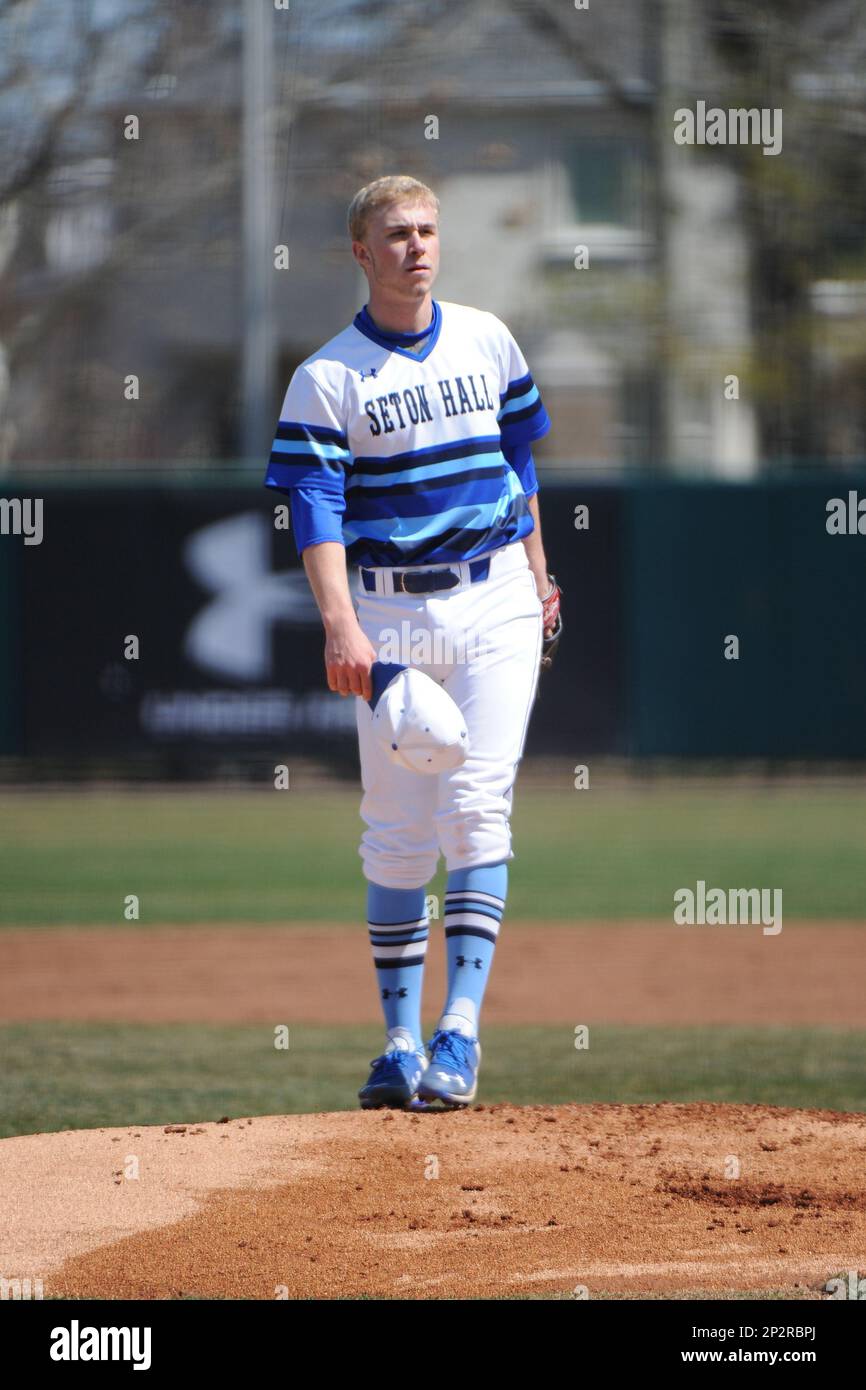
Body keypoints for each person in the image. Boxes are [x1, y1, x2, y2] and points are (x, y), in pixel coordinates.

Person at [264, 174, 561, 1109]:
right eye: (397, 233)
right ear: (362, 252)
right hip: (386, 609)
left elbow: (519, 463)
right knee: (394, 832)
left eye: (428, 229)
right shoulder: (329, 375)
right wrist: (340, 622)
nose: (418, 246)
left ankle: (459, 1034)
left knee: (476, 804)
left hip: (495, 597)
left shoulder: (489, 338)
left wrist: (541, 575)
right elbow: (313, 506)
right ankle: (397, 1047)